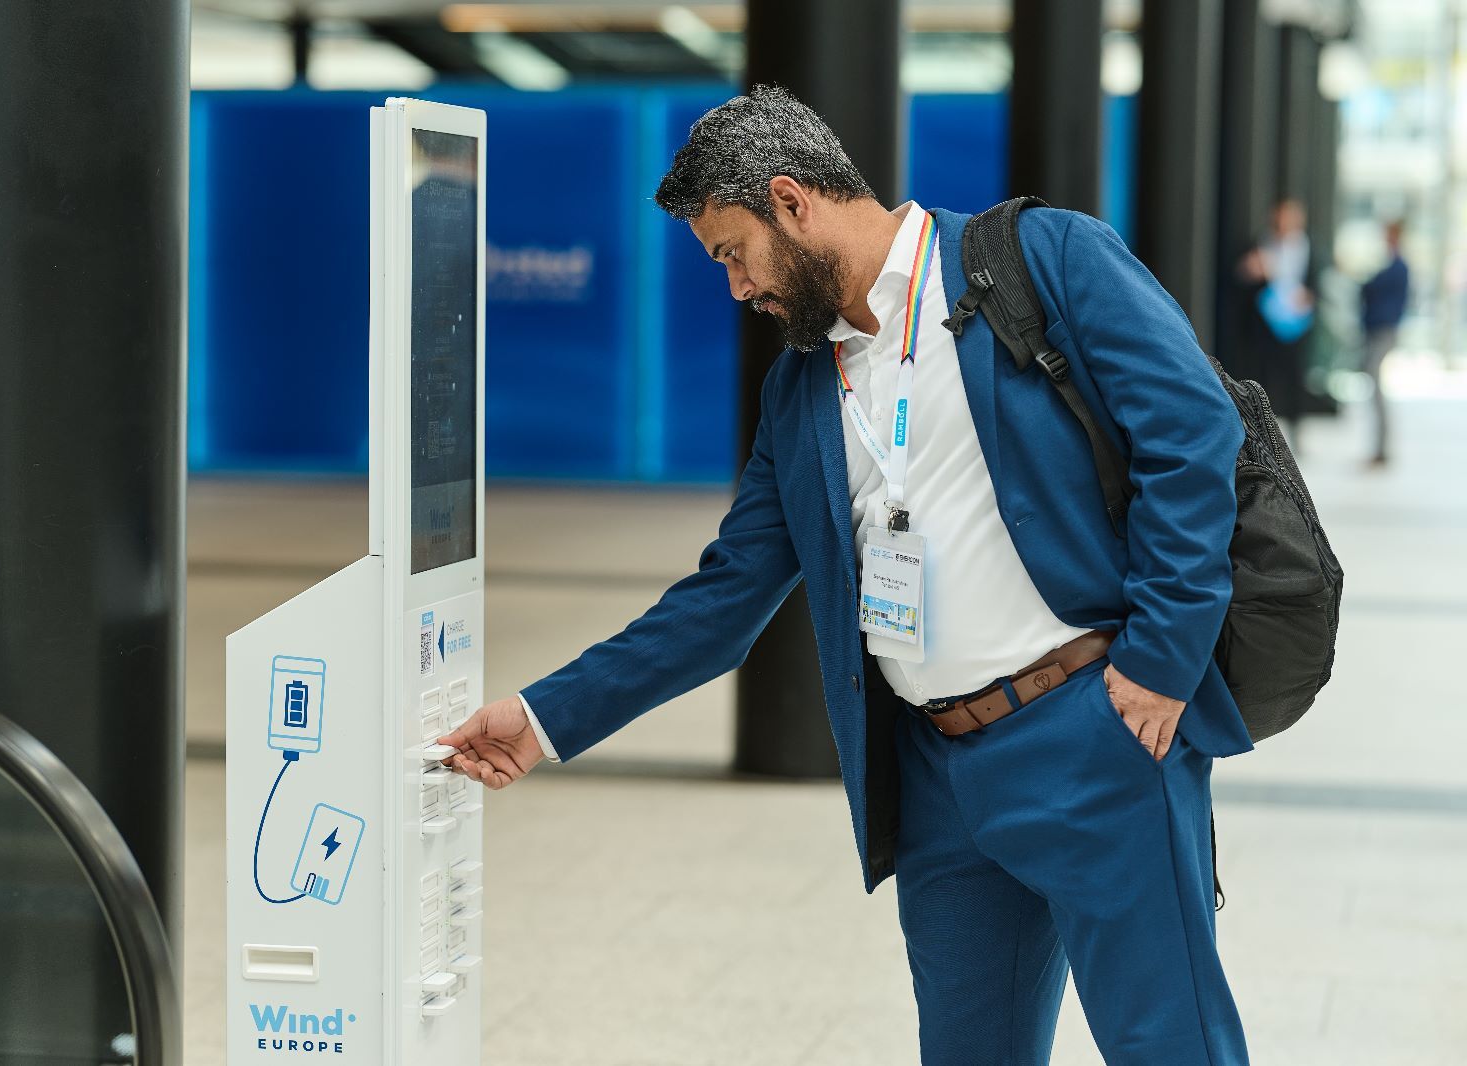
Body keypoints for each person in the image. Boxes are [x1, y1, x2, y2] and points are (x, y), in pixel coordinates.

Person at [440, 86, 1254, 1066]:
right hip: (937, 781)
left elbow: (1195, 428)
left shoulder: (1040, 262)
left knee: (1172, 1047)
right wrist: (541, 716)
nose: (737, 289)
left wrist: (1164, 656)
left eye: (731, 253)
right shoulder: (800, 390)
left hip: (1093, 735)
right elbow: (724, 596)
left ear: (792, 201)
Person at [1238, 199, 1314, 446]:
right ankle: (1263, 433)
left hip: (1294, 324)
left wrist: (1308, 296)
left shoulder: (1307, 247)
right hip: (1265, 324)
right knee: (1263, 379)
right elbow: (1242, 277)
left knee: (1294, 377)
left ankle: (1296, 433)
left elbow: (1315, 283)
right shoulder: (1261, 245)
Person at [1359, 219, 1409, 465]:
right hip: (1379, 330)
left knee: (1376, 387)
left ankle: (1382, 447)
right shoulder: (1392, 265)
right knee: (1374, 387)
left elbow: (1377, 294)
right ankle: (1379, 446)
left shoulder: (1398, 267)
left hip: (1382, 330)